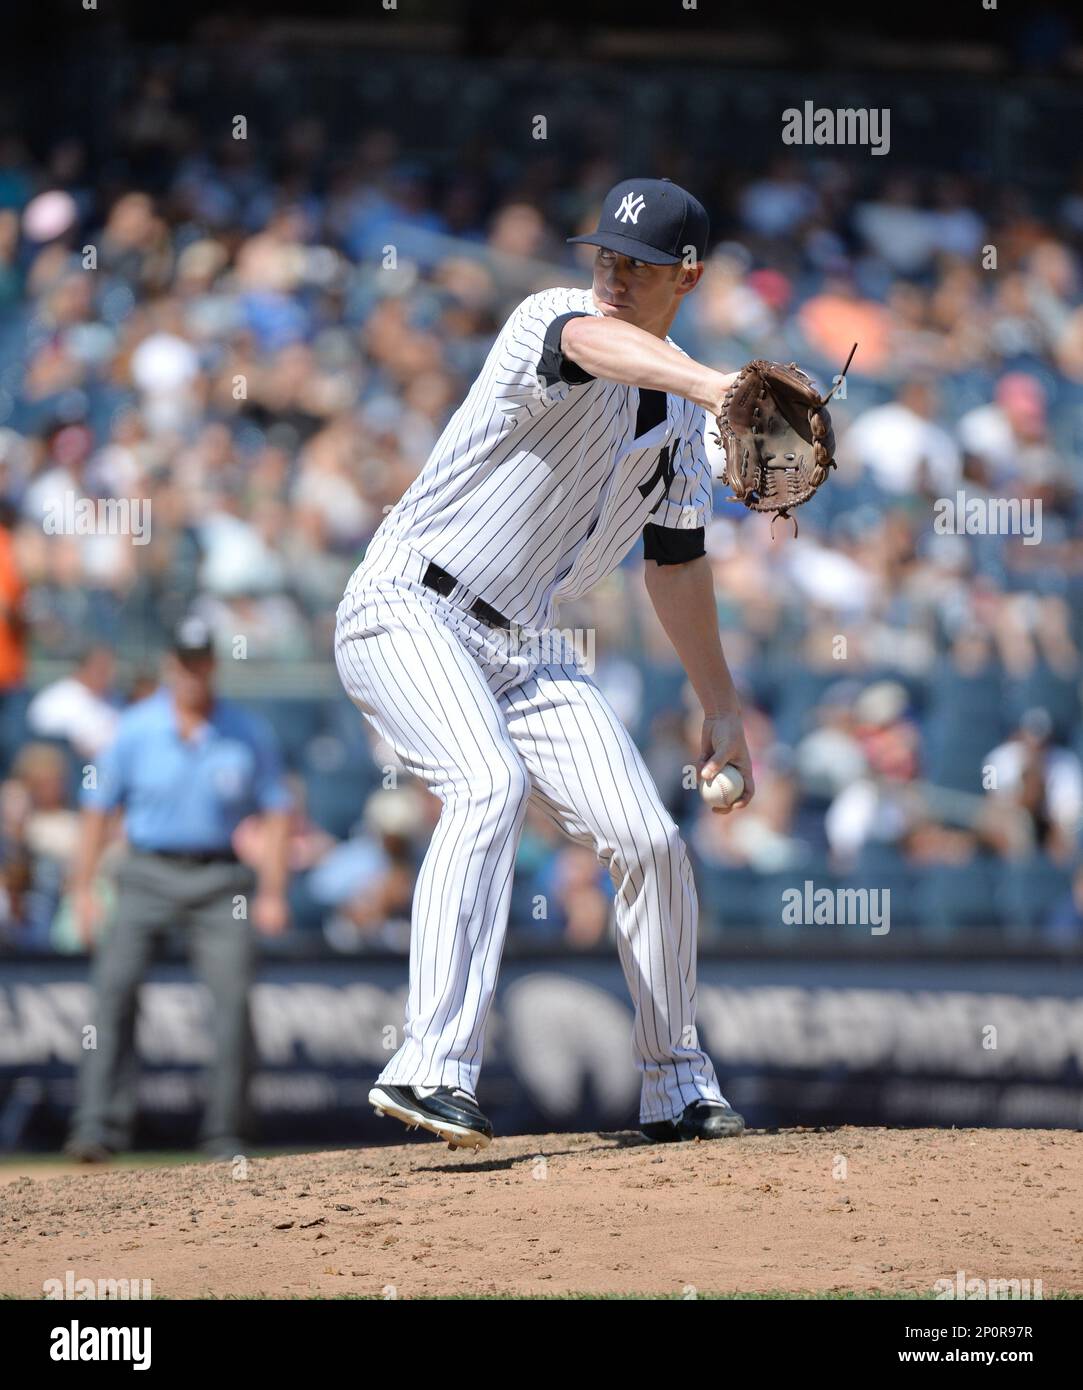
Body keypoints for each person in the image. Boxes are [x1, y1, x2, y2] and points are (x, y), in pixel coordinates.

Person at [335, 178, 755, 1150]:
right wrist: (718, 382)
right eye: (604, 252)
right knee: (485, 785)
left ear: (686, 275)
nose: (611, 273)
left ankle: (676, 1082)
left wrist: (722, 707)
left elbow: (678, 566)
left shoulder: (685, 422)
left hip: (521, 645)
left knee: (649, 839)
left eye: (637, 263)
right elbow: (594, 344)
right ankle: (431, 1066)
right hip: (409, 604)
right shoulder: (560, 315)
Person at [65, 616, 292, 1162]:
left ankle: (226, 1132)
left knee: (233, 999)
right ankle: (98, 1127)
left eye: (201, 661)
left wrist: (272, 891)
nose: (192, 672)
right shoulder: (135, 729)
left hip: (219, 879)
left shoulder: (245, 731)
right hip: (144, 874)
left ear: (212, 663)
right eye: (184, 661)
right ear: (171, 664)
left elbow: (279, 812)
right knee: (113, 992)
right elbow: (97, 813)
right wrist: (83, 889)